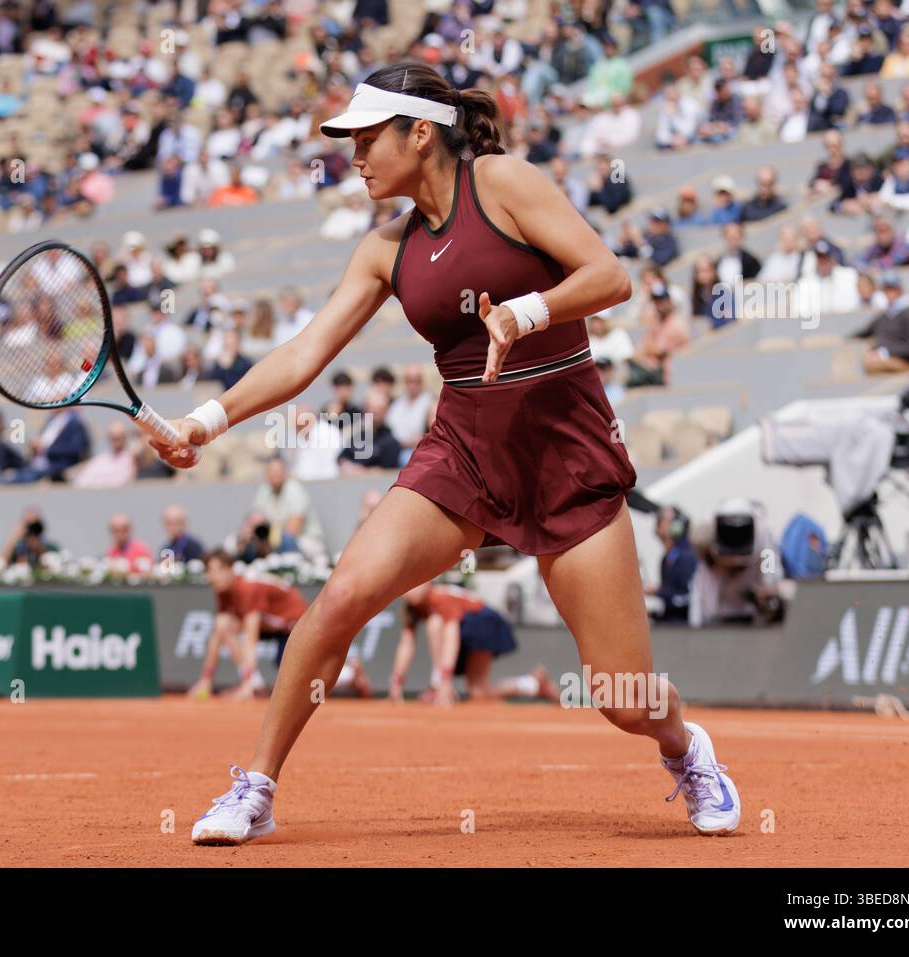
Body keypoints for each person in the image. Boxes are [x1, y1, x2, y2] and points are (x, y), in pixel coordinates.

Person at [149, 65, 741, 845]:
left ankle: (684, 747)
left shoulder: (502, 183)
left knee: (624, 696)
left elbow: (611, 275)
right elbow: (304, 353)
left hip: (567, 455)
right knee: (344, 595)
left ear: (419, 132)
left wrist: (524, 314)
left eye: (365, 138)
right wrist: (204, 419)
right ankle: (255, 789)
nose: (353, 156)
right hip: (461, 455)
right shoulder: (383, 249)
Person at [188, 549, 372, 702]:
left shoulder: (247, 588)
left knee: (297, 678)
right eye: (209, 571)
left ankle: (349, 674)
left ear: (229, 569)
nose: (212, 576)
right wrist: (206, 679)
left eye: (216, 570)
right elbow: (218, 633)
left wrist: (244, 684)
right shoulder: (223, 591)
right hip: (270, 626)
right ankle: (254, 684)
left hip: (294, 624)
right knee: (223, 624)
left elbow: (251, 638)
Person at [392, 581, 558, 706]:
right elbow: (406, 644)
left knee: (434, 623)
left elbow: (452, 636)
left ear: (428, 582)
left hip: (483, 623)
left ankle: (436, 685)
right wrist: (397, 683)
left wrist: (445, 680)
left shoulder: (440, 598)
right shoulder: (412, 608)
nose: (410, 587)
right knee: (479, 692)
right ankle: (534, 684)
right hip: (468, 631)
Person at [850, 271, 909, 374]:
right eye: (886, 289)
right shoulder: (883, 316)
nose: (889, 293)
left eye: (892, 289)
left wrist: (885, 353)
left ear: (900, 290)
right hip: (883, 360)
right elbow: (863, 332)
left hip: (905, 363)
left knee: (871, 362)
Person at [645, 506, 696, 622]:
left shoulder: (685, 557)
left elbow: (687, 598)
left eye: (663, 519)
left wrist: (658, 592)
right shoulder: (667, 558)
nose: (658, 522)